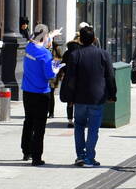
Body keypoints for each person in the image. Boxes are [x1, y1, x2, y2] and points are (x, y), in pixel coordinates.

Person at [63, 25, 116, 167]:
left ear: (80, 39)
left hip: (79, 97)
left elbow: (70, 79)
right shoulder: (103, 54)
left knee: (79, 125)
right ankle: (89, 157)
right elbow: (110, 76)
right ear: (94, 39)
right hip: (97, 97)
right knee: (93, 128)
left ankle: (80, 155)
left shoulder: (75, 55)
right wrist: (112, 94)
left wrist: (70, 98)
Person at [20, 24, 58, 165]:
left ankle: (26, 151)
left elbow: (37, 39)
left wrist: (50, 35)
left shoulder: (28, 47)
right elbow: (49, 74)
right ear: (45, 36)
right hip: (41, 92)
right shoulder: (45, 54)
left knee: (28, 121)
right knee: (39, 125)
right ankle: (37, 157)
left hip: (27, 91)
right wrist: (56, 69)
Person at [55, 26, 85, 127]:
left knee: (70, 101)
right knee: (79, 101)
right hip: (80, 79)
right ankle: (79, 119)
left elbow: (62, 65)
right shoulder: (81, 52)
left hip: (68, 79)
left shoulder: (67, 53)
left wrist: (61, 75)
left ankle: (70, 120)